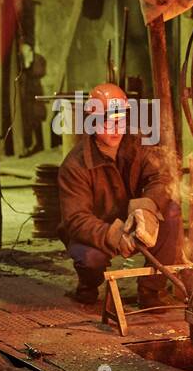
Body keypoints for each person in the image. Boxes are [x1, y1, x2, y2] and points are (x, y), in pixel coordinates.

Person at [57, 82, 182, 307]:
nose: (115, 128)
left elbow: (160, 178)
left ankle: (151, 290)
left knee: (171, 211)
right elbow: (76, 220)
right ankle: (88, 284)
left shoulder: (139, 146)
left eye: (120, 120)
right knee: (90, 259)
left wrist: (146, 208)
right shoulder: (75, 165)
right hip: (98, 229)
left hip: (133, 219)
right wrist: (113, 235)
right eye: (107, 121)